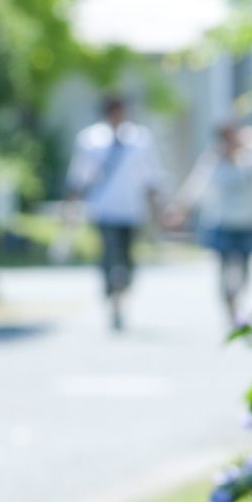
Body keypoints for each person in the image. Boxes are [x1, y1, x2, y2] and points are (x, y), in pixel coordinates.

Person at [66, 94, 164, 330]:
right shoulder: (91, 139)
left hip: (131, 209)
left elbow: (151, 176)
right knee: (109, 256)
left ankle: (122, 293)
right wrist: (71, 204)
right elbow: (80, 175)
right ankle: (112, 299)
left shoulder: (140, 139)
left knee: (127, 258)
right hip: (103, 208)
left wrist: (157, 208)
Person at [168, 119, 252, 324]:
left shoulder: (251, 159)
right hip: (221, 221)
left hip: (247, 221)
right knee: (223, 268)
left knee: (246, 271)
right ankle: (229, 307)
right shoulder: (212, 161)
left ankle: (236, 297)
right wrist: (180, 208)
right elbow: (196, 185)